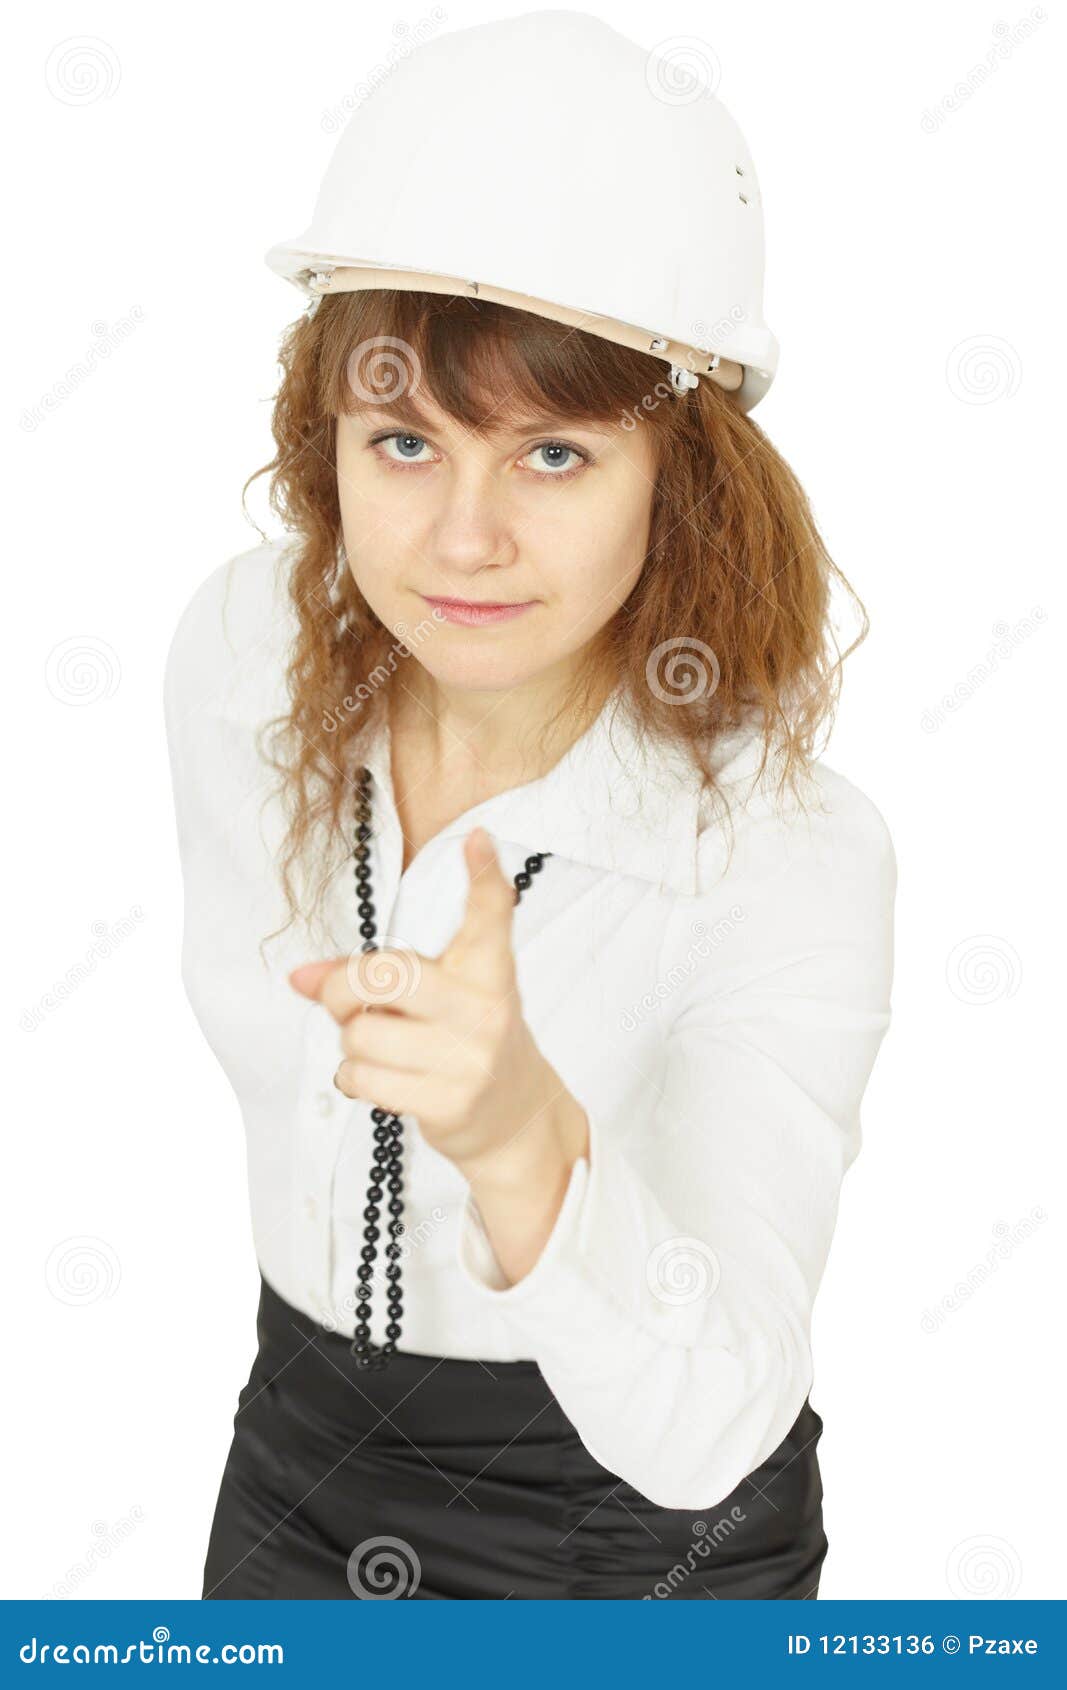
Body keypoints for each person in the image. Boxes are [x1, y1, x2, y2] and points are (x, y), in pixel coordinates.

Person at [163, 10, 896, 1600]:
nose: (462, 538)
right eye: (405, 438)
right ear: (327, 435)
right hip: (295, 1473)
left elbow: (719, 1413)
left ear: (680, 479)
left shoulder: (780, 850)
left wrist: (519, 1138)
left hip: (639, 1537)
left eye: (555, 452)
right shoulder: (238, 662)